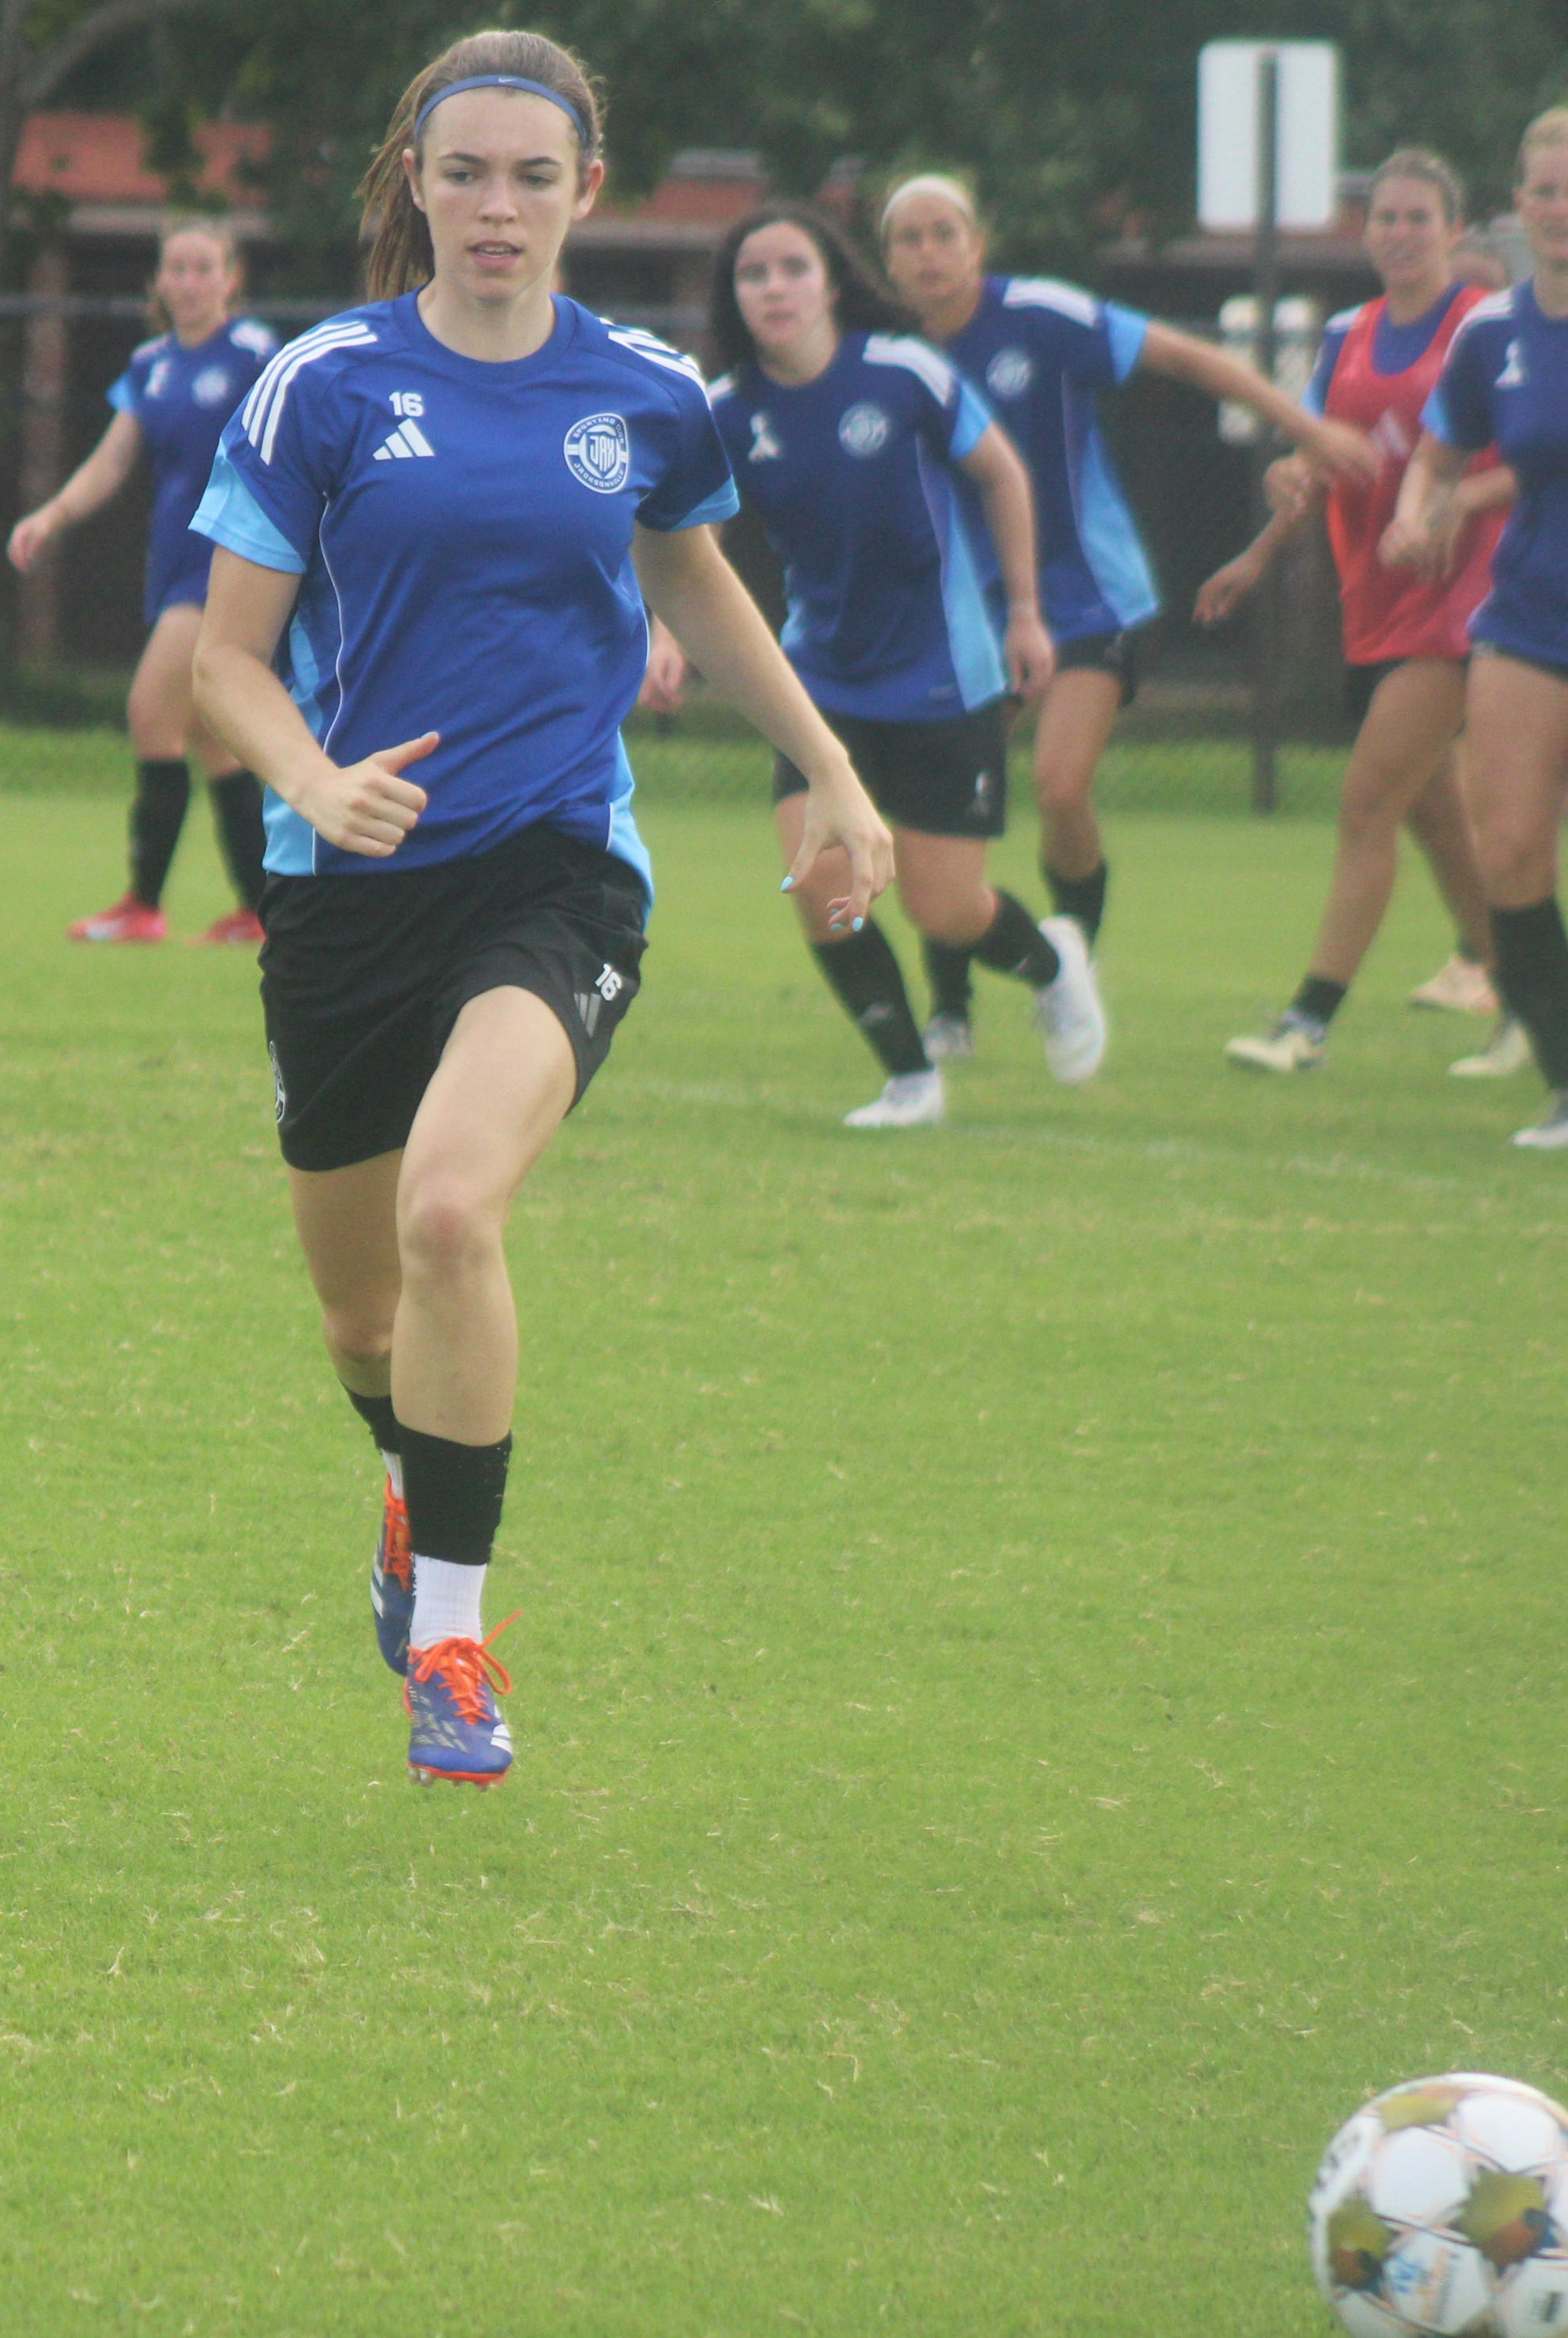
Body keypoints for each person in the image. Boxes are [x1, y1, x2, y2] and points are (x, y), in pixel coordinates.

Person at [188, 32, 891, 1785]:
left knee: (449, 1214)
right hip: (348, 890)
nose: (496, 208)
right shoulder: (324, 384)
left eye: (531, 176)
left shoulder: (645, 389)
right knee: (361, 1320)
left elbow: (695, 580)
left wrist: (828, 766)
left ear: (588, 189)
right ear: (413, 183)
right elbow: (224, 658)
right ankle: (407, 1497)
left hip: (554, 868)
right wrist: (309, 780)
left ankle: (452, 1643)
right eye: (464, 173)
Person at [880, 172, 1380, 1058]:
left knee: (1062, 786)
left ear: (978, 242)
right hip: (965, 614)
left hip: (1085, 596)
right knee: (945, 805)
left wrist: (1298, 427)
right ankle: (950, 1007)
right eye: (909, 239)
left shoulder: (1041, 316)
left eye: (943, 232)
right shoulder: (890, 359)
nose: (928, 252)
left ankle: (1069, 971)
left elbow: (1189, 358)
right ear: (888, 262)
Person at [692, 201, 1104, 1127]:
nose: (774, 289)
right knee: (819, 885)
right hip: (820, 678)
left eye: (792, 268)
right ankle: (910, 1076)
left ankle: (1050, 962)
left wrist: (1027, 615)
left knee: (942, 907)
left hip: (944, 673)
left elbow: (1003, 474)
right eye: (753, 275)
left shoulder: (905, 372)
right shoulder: (727, 411)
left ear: (830, 281)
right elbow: (691, 546)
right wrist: (665, 634)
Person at [1196, 151, 1516, 1074]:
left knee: (1369, 799)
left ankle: (1308, 1023)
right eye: (1386, 218)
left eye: (1421, 218)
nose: (1401, 233)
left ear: (1456, 233)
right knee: (1437, 819)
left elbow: (1531, 461)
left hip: (1466, 601)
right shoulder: (1346, 336)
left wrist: (1454, 506)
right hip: (1373, 595)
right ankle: (1524, 997)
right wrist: (1262, 546)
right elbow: (1317, 464)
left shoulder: (1485, 328)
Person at [13, 220, 279, 945]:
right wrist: (52, 515)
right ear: (158, 282)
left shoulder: (256, 354)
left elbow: (297, 445)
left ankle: (143, 906)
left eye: (203, 269)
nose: (188, 282)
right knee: (216, 740)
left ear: (230, 279)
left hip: (225, 563)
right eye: (176, 269)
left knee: (148, 714)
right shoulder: (151, 363)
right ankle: (261, 911)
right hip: (173, 563)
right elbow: (111, 462)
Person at [1399, 107, 1568, 1148]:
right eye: (1544, 190)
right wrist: (1421, 505)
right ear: (1516, 205)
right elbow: (1440, 448)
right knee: (1505, 848)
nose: (1559, 208)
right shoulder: (1491, 332)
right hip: (1527, 619)